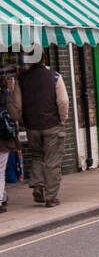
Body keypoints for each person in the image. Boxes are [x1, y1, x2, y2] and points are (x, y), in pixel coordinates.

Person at [19, 55, 69, 207]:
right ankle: (50, 197)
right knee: (52, 161)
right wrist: (62, 118)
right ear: (44, 60)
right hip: (52, 125)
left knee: (37, 156)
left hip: (31, 127)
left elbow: (17, 104)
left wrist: (23, 121)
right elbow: (63, 101)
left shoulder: (21, 79)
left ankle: (38, 189)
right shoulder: (54, 76)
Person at [0, 70, 23, 212]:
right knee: (0, 171)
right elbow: (14, 115)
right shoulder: (5, 97)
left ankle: (2, 196)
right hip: (3, 140)